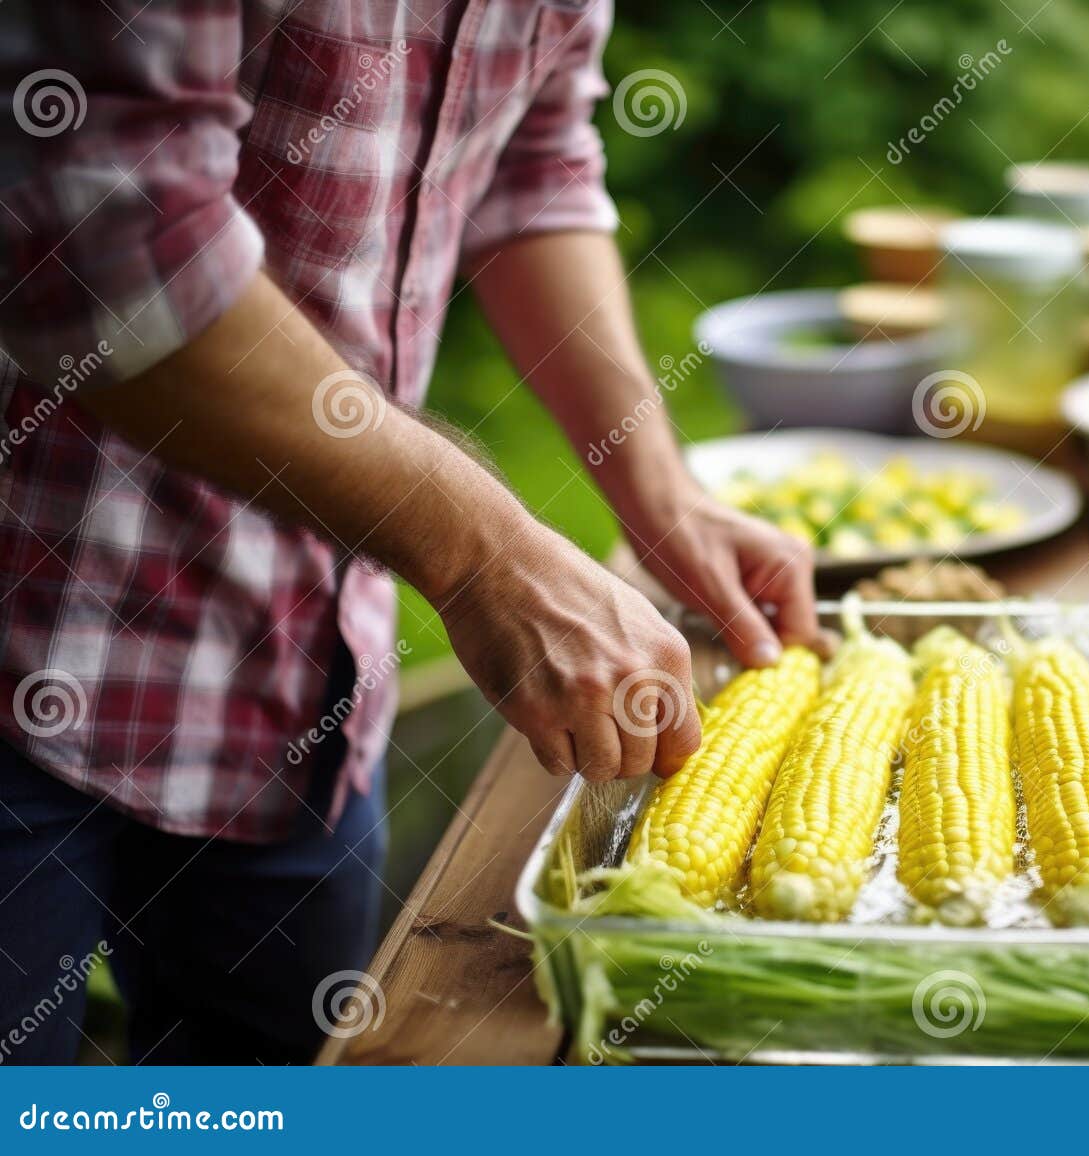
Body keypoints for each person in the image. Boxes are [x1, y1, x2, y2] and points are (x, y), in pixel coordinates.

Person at [0, 0, 814, 1063]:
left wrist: (662, 498)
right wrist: (485, 555)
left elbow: (533, 158)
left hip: (305, 670)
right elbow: (104, 233)